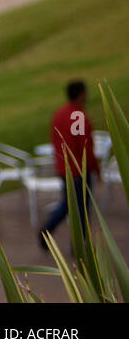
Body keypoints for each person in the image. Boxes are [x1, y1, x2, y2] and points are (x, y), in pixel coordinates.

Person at [39, 80, 101, 251]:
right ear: (81, 94)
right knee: (80, 209)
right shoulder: (78, 116)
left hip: (63, 167)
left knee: (70, 204)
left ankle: (49, 230)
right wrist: (96, 167)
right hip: (78, 170)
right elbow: (84, 146)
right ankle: (77, 245)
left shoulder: (60, 114)